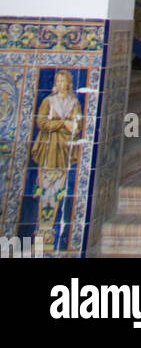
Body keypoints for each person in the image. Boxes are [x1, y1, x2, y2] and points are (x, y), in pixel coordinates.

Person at [31, 68, 82, 238]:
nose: (60, 84)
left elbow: (77, 125)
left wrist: (68, 125)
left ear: (68, 83)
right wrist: (61, 123)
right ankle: (44, 229)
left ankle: (48, 228)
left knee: (59, 180)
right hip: (49, 146)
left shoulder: (74, 103)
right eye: (58, 81)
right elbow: (41, 121)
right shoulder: (48, 101)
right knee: (45, 181)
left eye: (63, 81)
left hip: (63, 147)